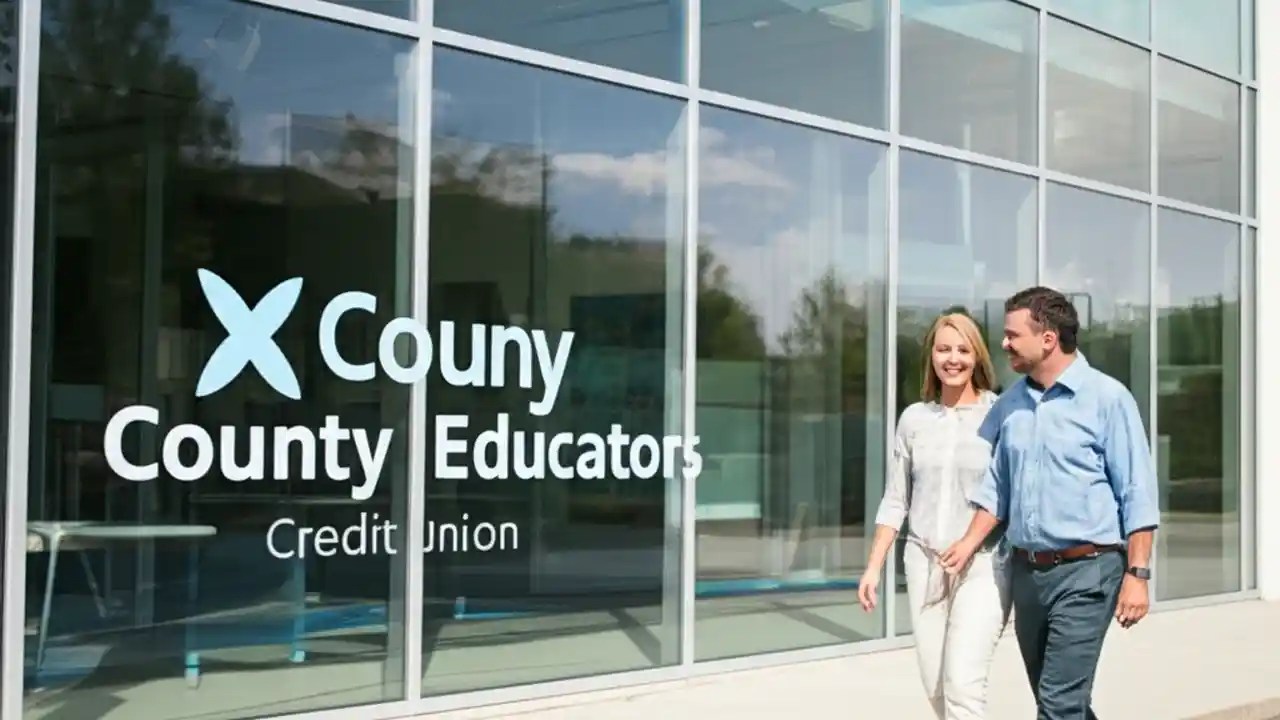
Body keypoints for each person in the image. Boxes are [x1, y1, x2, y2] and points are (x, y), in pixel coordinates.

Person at [939, 286, 1160, 720]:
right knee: (1060, 702)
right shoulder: (1010, 404)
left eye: (1011, 335)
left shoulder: (1108, 399)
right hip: (1028, 575)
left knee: (1058, 705)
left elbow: (1137, 492)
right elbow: (997, 489)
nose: (1003, 344)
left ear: (1048, 339)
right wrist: (967, 543)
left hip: (1089, 571)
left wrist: (1138, 575)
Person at [858, 311, 1011, 720]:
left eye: (963, 349)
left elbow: (1007, 494)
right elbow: (896, 499)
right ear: (932, 356)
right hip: (924, 563)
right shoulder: (914, 419)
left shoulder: (1000, 415)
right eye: (944, 349)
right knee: (937, 688)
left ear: (977, 356)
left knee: (962, 685)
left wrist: (969, 544)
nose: (953, 358)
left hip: (982, 567)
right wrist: (874, 567)